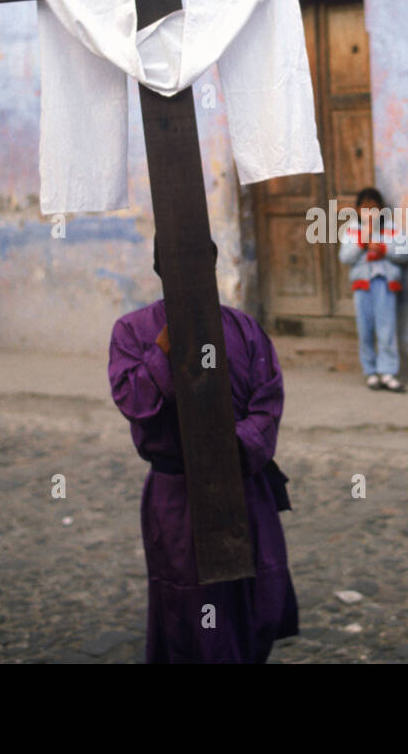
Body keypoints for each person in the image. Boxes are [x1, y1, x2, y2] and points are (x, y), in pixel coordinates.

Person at [108, 240, 297, 663]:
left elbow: (268, 402)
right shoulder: (132, 331)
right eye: (177, 265)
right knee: (193, 608)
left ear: (212, 265)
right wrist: (163, 351)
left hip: (244, 483)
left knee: (254, 596)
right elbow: (132, 401)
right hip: (178, 496)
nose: (190, 275)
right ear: (159, 268)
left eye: (199, 263)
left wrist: (233, 444)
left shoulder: (245, 329)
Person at [338, 186, 408, 392]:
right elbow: (345, 257)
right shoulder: (352, 231)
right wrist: (363, 243)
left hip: (385, 284)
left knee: (386, 329)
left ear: (381, 210)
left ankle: (388, 372)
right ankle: (370, 372)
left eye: (374, 208)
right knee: (365, 329)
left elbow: (406, 252)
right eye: (365, 209)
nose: (370, 213)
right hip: (363, 285)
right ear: (358, 211)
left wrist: (385, 249)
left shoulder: (392, 228)